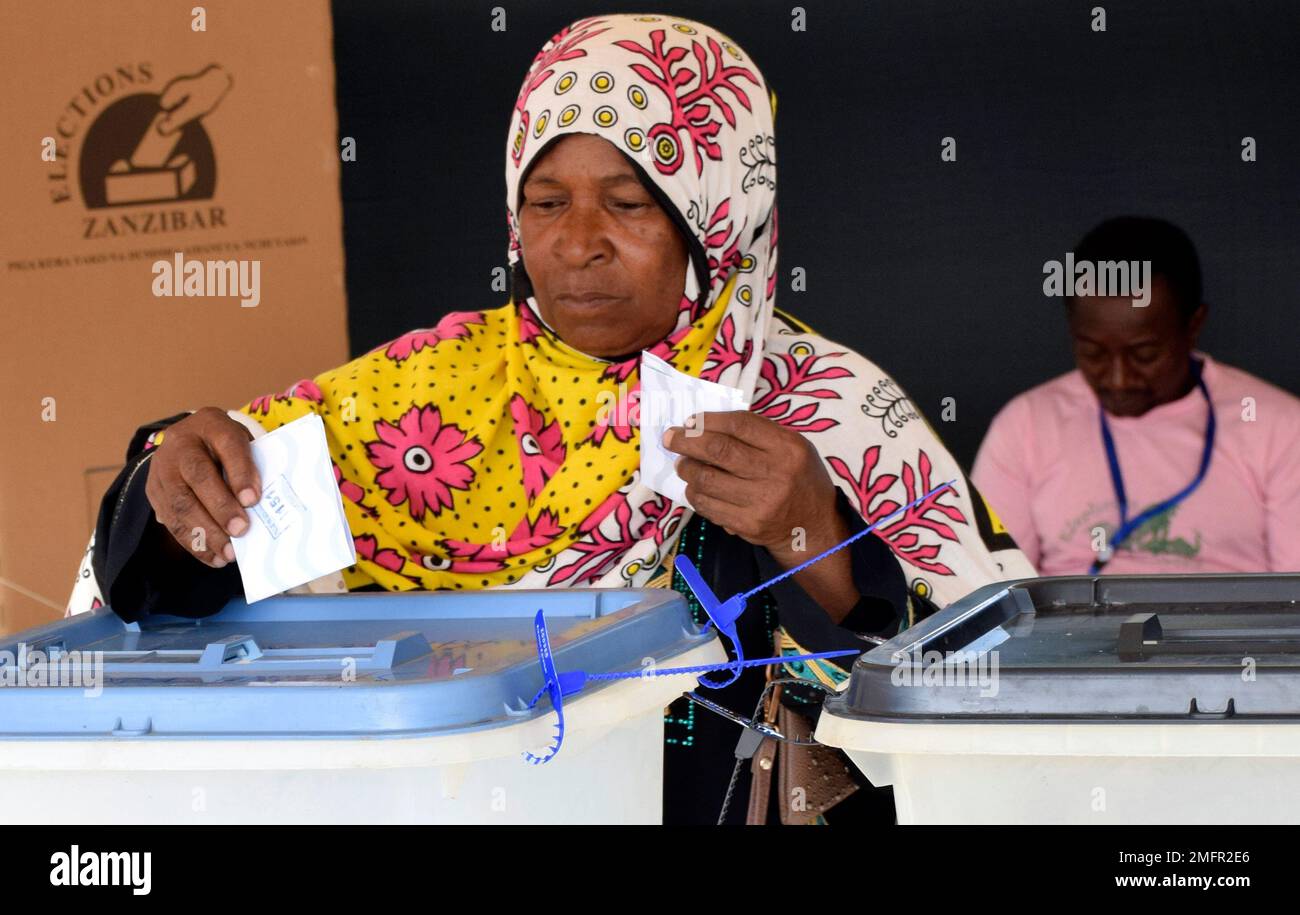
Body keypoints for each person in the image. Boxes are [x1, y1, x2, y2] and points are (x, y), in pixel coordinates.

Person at [69, 13, 1033, 823]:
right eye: (545, 201)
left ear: (720, 221)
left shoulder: (828, 413)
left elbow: (983, 707)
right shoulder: (432, 396)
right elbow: (168, 588)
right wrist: (171, 482)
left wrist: (815, 538)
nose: (577, 245)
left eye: (629, 203)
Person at [973, 216, 1300, 576]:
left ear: (1194, 326)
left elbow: (1293, 604)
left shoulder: (1281, 428)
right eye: (1093, 353)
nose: (1118, 379)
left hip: (1231, 631)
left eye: (1144, 354)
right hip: (1067, 632)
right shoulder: (1025, 425)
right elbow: (993, 588)